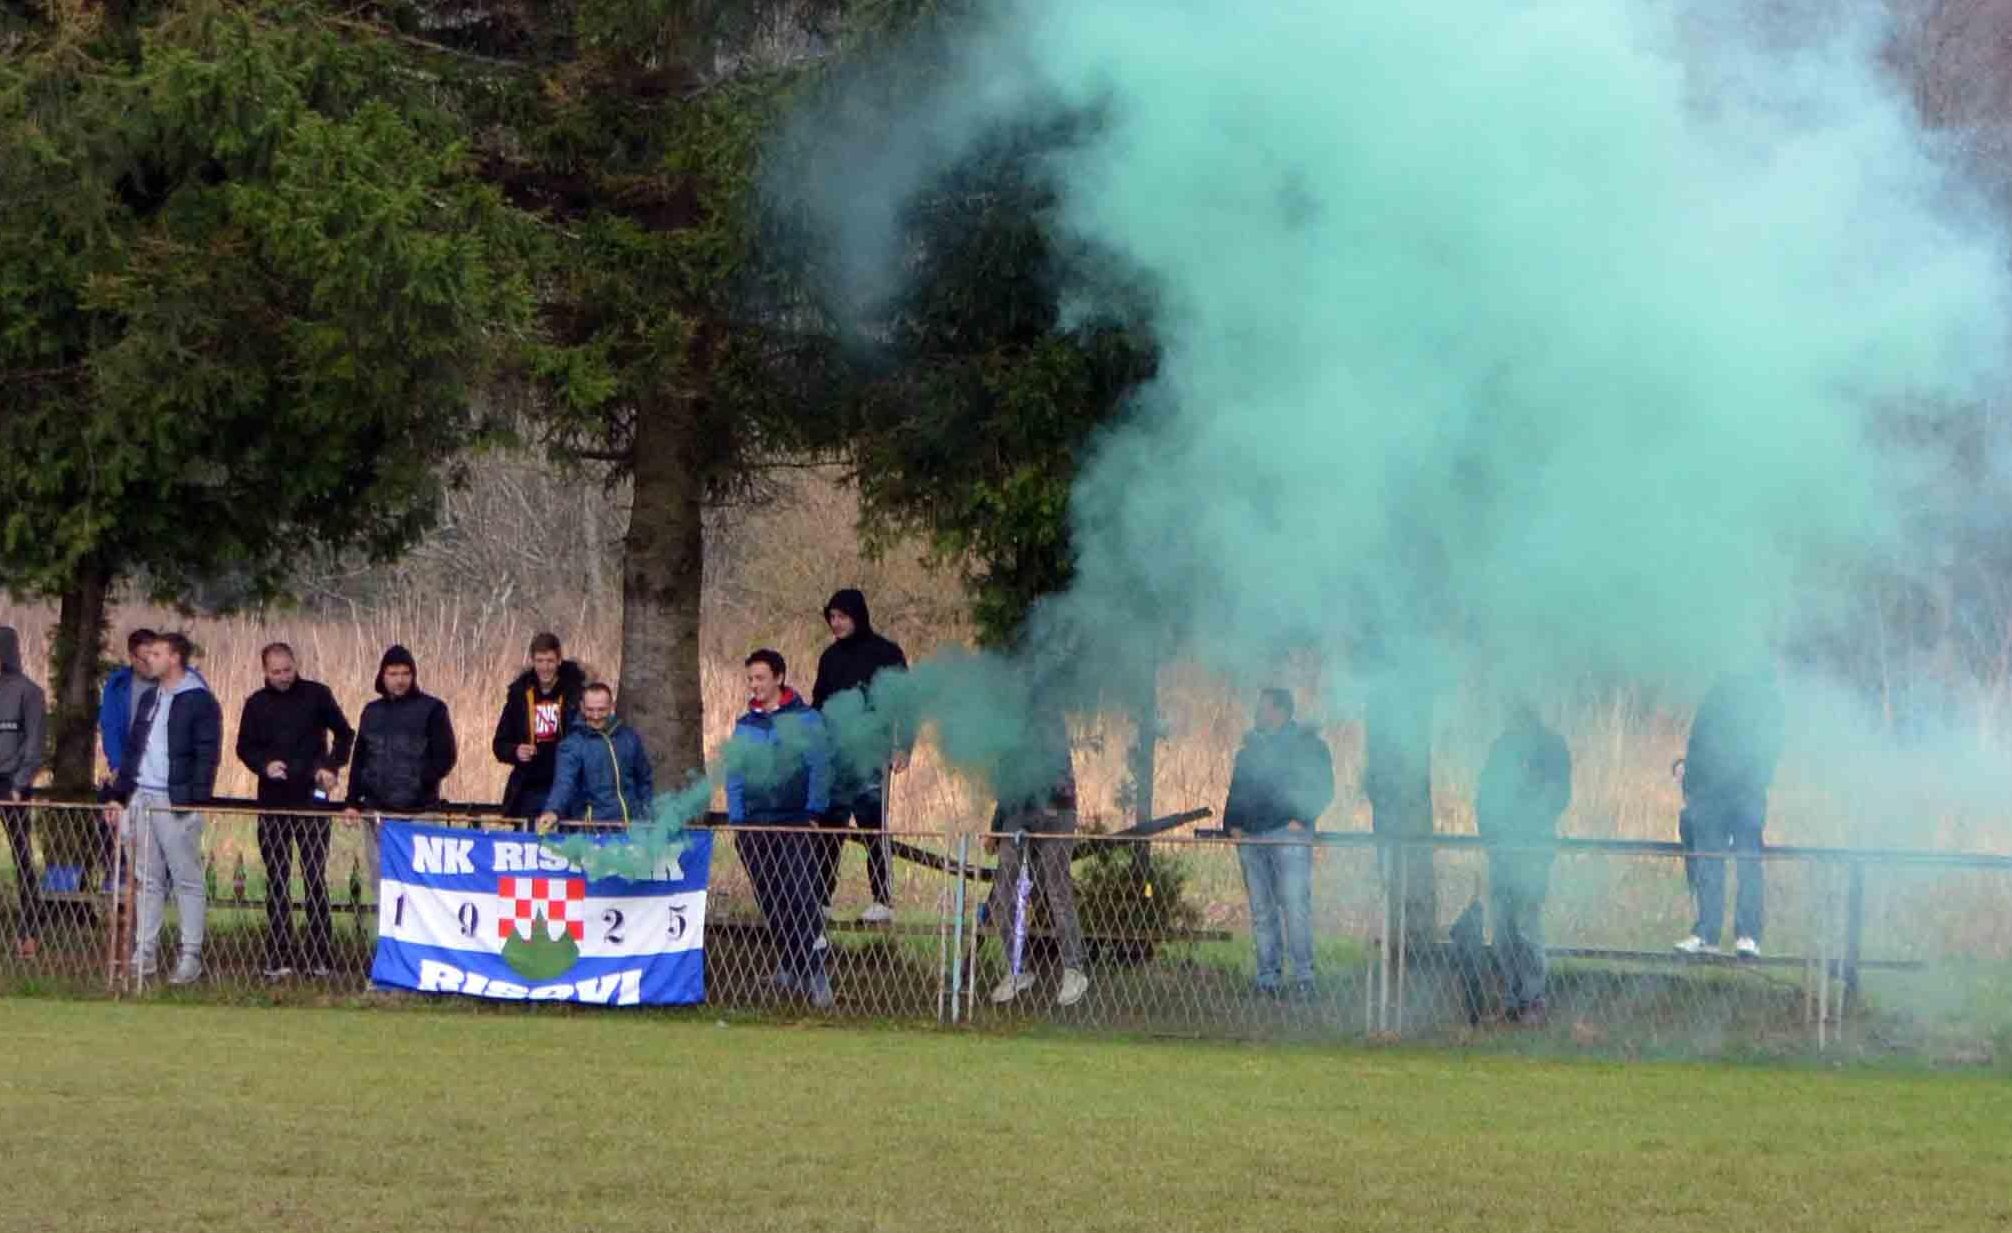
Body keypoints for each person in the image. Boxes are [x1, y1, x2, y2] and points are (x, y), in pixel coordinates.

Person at [105, 632, 222, 985]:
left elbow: (207, 754)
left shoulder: (199, 700)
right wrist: (119, 795)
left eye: (156, 654)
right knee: (146, 879)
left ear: (174, 657)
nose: (149, 659)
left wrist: (192, 801)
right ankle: (145, 951)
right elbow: (134, 750)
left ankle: (190, 954)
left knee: (187, 878)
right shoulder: (151, 698)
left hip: (175, 801)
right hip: (142, 797)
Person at [234, 643, 354, 978]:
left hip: (313, 798)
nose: (284, 677)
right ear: (265, 672)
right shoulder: (256, 704)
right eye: (276, 672)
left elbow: (345, 734)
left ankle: (320, 957)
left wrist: (331, 766)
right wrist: (264, 764)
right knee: (277, 878)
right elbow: (244, 747)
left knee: (315, 876)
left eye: (288, 669)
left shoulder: (317, 695)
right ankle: (278, 956)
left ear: (295, 665)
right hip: (273, 799)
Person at [727, 650, 835, 1008]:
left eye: (760, 677)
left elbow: (820, 767)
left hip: (795, 822)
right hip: (754, 826)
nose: (754, 685)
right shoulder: (745, 725)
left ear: (779, 677)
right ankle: (790, 966)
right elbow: (735, 774)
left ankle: (817, 973)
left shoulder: (806, 719)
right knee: (770, 899)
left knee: (801, 898)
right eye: (750, 678)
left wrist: (814, 812)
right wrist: (738, 820)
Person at [1221, 687, 1334, 998]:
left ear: (1280, 711)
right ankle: (1267, 979)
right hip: (1251, 839)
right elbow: (1237, 790)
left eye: (1263, 707)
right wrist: (1232, 825)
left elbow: (1325, 787)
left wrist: (1302, 818)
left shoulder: (1309, 747)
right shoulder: (1250, 751)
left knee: (1295, 907)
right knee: (1261, 911)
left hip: (1289, 836)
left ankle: (1304, 978)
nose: (1257, 713)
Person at [810, 589, 910, 923]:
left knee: (873, 826)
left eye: (842, 616)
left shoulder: (887, 653)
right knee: (829, 828)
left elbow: (907, 704)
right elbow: (818, 704)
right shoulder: (829, 657)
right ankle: (821, 900)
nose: (835, 623)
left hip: (872, 754)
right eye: (831, 617)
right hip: (835, 756)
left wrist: (904, 746)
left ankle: (883, 901)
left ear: (858, 615)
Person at [1675, 665, 1784, 959]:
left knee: (1747, 861)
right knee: (1710, 862)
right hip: (1714, 797)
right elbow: (1699, 744)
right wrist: (1691, 779)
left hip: (1744, 795)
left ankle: (1747, 936)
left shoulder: (1765, 699)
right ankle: (1707, 934)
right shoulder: (1718, 696)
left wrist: (1751, 780)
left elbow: (1769, 748)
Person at [985, 709, 1091, 1008]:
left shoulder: (1046, 711)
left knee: (1057, 889)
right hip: (1018, 811)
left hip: (1057, 808)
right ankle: (1017, 968)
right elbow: (1008, 782)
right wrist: (997, 827)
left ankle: (1074, 970)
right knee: (1002, 894)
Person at [1475, 702, 1571, 1023]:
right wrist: (1490, 835)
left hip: (1533, 851)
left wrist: (1527, 825)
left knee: (1527, 925)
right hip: (1501, 851)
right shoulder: (1501, 748)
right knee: (1502, 930)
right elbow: (1484, 795)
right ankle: (1513, 999)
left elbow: (1558, 797)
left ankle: (1534, 999)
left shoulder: (1552, 748)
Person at [344, 646, 457, 880]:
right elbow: (359, 759)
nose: (400, 680)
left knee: (421, 881)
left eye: (405, 673)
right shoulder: (371, 711)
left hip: (419, 811)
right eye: (393, 674)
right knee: (382, 881)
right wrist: (352, 801)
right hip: (377, 812)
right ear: (382, 676)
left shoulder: (433, 709)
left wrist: (421, 780)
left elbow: (446, 756)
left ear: (413, 675)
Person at [491, 633, 586, 821]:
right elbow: (499, 744)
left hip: (566, 783)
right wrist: (515, 751)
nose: (545, 667)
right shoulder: (519, 694)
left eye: (550, 661)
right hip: (529, 786)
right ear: (532, 661)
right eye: (540, 661)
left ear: (559, 660)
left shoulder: (576, 693)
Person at [538, 684, 654, 831]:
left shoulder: (629, 738)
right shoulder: (572, 745)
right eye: (590, 710)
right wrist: (552, 810)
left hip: (633, 828)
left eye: (601, 710)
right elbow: (564, 783)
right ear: (582, 707)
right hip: (592, 830)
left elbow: (644, 779)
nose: (596, 716)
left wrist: (646, 812)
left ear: (612, 706)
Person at [0, 626, 48, 960]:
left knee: (22, 857)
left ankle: (29, 931)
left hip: (12, 784)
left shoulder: (29, 693)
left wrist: (19, 784)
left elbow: (34, 745)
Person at [98, 627, 158, 784]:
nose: (151, 663)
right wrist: (117, 766)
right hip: (131, 769)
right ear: (132, 657)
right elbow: (111, 728)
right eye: (145, 659)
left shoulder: (175, 683)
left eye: (155, 656)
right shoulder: (117, 685)